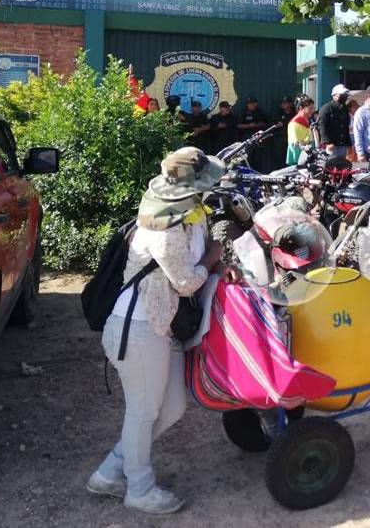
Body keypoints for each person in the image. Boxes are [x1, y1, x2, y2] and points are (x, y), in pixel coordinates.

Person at [87, 147, 241, 515]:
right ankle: (138, 488)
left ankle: (110, 472)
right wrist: (213, 258)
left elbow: (198, 262)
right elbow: (186, 281)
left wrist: (218, 264)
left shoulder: (187, 212)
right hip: (138, 328)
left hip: (161, 326)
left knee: (171, 406)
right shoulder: (163, 224)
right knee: (142, 411)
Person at [318, 84, 354, 159]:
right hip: (331, 147)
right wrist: (327, 143)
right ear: (334, 95)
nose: (344, 96)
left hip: (342, 146)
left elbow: (345, 128)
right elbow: (322, 126)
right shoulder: (326, 108)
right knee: (331, 167)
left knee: (342, 167)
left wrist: (349, 145)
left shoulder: (345, 109)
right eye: (342, 94)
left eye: (345, 94)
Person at [286, 97, 317, 165]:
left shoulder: (310, 120)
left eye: (313, 108)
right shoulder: (295, 123)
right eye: (310, 108)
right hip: (299, 159)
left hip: (308, 157)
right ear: (301, 108)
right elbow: (295, 144)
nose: (313, 110)